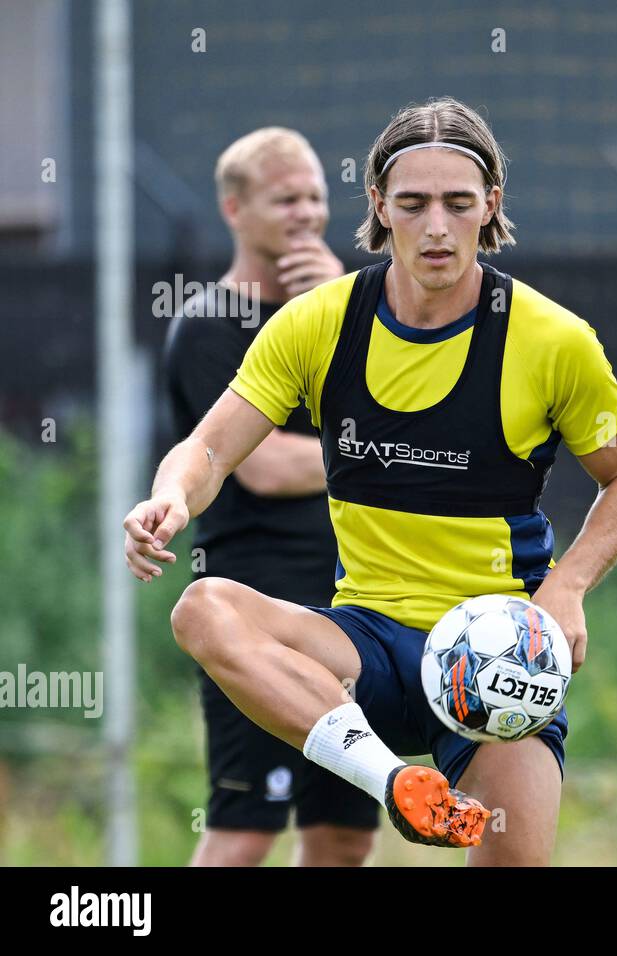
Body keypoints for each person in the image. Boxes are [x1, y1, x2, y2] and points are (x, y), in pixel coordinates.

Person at [128, 98, 617, 865]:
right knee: (205, 607)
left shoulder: (555, 340)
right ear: (379, 206)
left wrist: (568, 588)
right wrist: (170, 496)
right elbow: (208, 451)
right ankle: (395, 784)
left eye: (457, 203)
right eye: (412, 204)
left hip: (498, 654)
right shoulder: (320, 322)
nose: (436, 227)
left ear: (492, 207)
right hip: (366, 647)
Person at [163, 127, 377, 866]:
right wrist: (385, 458)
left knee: (344, 835)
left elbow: (392, 408)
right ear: (235, 208)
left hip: (352, 610)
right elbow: (263, 465)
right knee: (247, 828)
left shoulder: (347, 318)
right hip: (253, 610)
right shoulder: (208, 325)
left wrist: (339, 315)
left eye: (316, 196)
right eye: (285, 198)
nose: (306, 214)